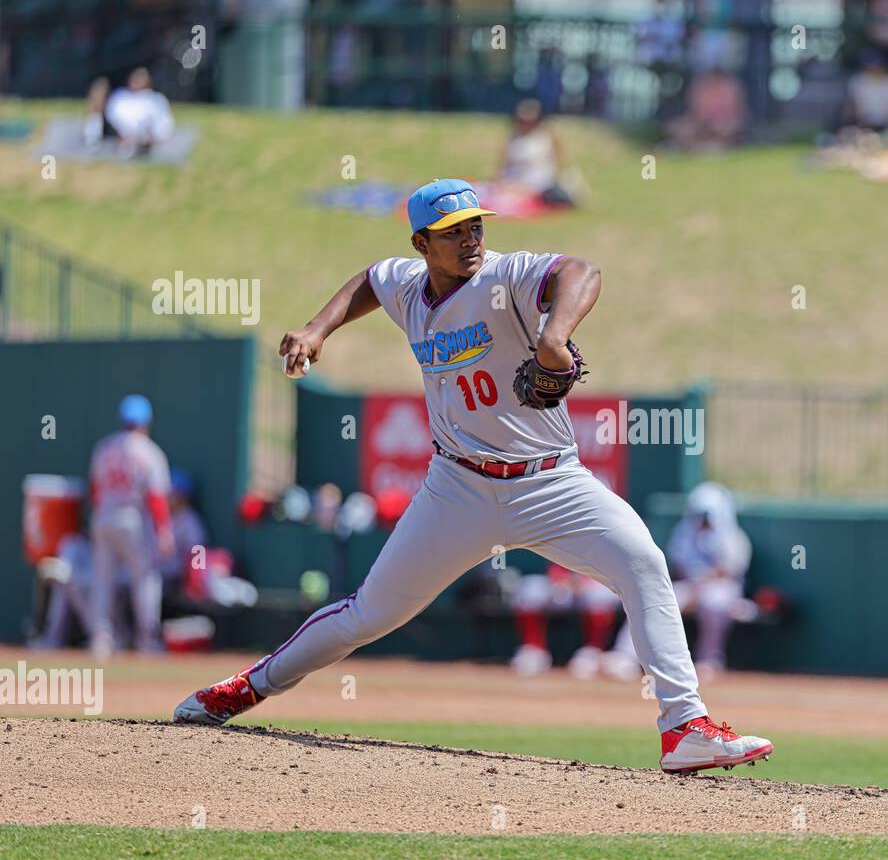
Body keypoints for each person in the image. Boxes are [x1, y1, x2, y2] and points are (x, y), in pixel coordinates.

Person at [174, 178, 773, 774]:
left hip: (550, 482)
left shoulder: (503, 276)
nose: (470, 241)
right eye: (452, 233)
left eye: (475, 226)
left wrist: (553, 335)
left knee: (644, 565)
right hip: (456, 488)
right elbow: (370, 281)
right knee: (369, 614)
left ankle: (684, 727)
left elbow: (582, 271)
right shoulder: (408, 288)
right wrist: (316, 328)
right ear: (421, 243)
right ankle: (246, 688)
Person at [605, 483, 757, 684]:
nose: (703, 519)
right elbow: (678, 566)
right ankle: (625, 656)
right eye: (700, 513)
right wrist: (694, 584)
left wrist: (702, 583)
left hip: (721, 588)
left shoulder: (734, 537)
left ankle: (709, 660)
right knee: (654, 600)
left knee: (714, 603)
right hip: (690, 584)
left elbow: (728, 571)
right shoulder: (684, 533)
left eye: (708, 514)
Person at [88, 394, 174, 658]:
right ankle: (146, 639)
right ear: (145, 421)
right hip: (133, 519)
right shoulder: (149, 451)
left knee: (102, 581)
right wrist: (164, 530)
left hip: (103, 516)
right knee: (145, 579)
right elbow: (156, 497)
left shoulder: (104, 447)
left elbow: (94, 490)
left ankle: (101, 639)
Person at [509, 564, 621, 678]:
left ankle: (592, 652)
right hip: (561, 585)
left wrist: (582, 582)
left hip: (591, 583)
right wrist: (561, 579)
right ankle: (534, 651)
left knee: (599, 596)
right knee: (530, 588)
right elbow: (555, 562)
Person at [495, 98, 573, 206]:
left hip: (537, 179)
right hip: (514, 177)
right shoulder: (514, 136)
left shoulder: (547, 136)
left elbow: (555, 164)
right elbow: (504, 163)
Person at [104, 68, 175, 156]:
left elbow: (164, 125)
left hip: (147, 143)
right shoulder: (119, 96)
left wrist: (148, 139)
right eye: (135, 78)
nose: (136, 81)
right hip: (117, 140)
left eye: (140, 78)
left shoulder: (156, 99)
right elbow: (109, 118)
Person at [843, 50, 888, 133]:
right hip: (863, 125)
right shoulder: (857, 81)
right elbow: (854, 105)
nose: (873, 68)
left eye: (877, 65)